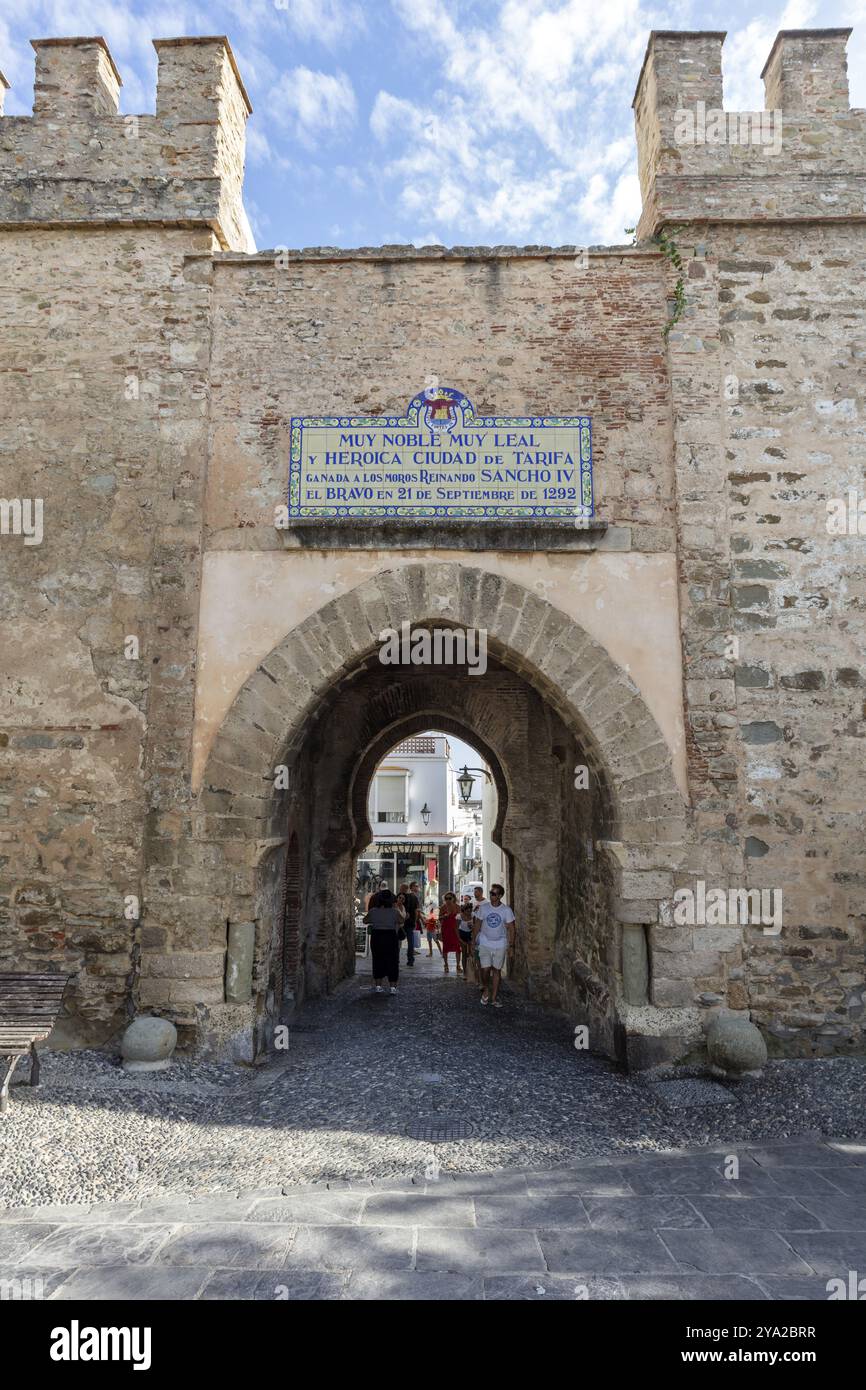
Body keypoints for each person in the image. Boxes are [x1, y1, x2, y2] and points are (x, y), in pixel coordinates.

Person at [472, 883, 515, 1008]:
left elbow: (512, 928)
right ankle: (486, 989)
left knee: (496, 970)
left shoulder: (506, 910)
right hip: (485, 942)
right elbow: (477, 925)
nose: (491, 896)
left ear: (500, 896)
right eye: (491, 893)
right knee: (485, 969)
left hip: (500, 943)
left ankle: (494, 997)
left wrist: (511, 946)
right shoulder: (484, 908)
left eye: (494, 894)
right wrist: (473, 941)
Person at [363, 889, 402, 994]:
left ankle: (378, 986)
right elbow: (401, 920)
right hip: (390, 936)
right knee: (392, 961)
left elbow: (365, 920)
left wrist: (376, 920)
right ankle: (393, 988)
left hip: (377, 936)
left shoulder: (373, 911)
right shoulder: (394, 911)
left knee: (377, 960)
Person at [438, 892, 463, 974]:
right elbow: (439, 918)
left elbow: (461, 918)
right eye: (446, 899)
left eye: (449, 898)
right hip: (446, 929)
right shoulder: (443, 907)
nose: (448, 900)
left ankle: (458, 965)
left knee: (457, 948)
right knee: (446, 947)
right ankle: (446, 965)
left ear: (453, 898)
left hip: (455, 929)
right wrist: (444, 916)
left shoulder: (458, 907)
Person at [402, 881, 421, 967]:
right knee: (410, 942)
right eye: (416, 886)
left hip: (402, 921)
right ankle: (410, 960)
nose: (417, 888)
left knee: (398, 940)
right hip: (410, 922)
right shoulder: (414, 897)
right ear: (411, 887)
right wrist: (415, 921)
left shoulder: (404, 897)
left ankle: (396, 959)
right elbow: (416, 911)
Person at [458, 902, 475, 978]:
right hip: (462, 934)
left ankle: (473, 971)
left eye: (470, 911)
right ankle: (465, 972)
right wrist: (459, 939)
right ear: (464, 911)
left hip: (471, 934)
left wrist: (472, 927)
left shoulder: (473, 915)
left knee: (472, 953)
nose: (469, 913)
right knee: (464, 953)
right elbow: (456, 929)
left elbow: (476, 927)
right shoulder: (459, 917)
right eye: (467, 911)